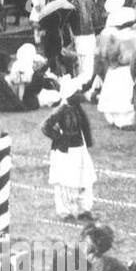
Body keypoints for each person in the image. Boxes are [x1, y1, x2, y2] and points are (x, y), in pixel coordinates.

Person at [42, 76, 95, 221]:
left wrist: (88, 142)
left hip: (79, 148)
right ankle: (66, 211)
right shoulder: (62, 109)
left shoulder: (77, 109)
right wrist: (59, 137)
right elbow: (45, 126)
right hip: (66, 151)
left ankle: (83, 209)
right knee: (66, 180)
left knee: (84, 178)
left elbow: (85, 125)